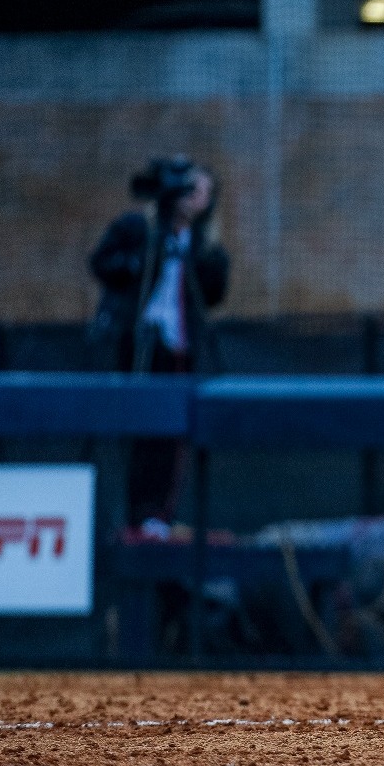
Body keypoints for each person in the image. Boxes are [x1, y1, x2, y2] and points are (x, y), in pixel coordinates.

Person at [88, 155, 228, 529]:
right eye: (190, 189)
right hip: (139, 344)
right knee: (140, 432)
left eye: (203, 192)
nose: (195, 198)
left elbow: (214, 294)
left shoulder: (203, 245)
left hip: (181, 348)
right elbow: (101, 263)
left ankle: (159, 516)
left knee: (173, 437)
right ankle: (132, 515)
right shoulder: (139, 229)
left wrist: (198, 255)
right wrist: (141, 259)